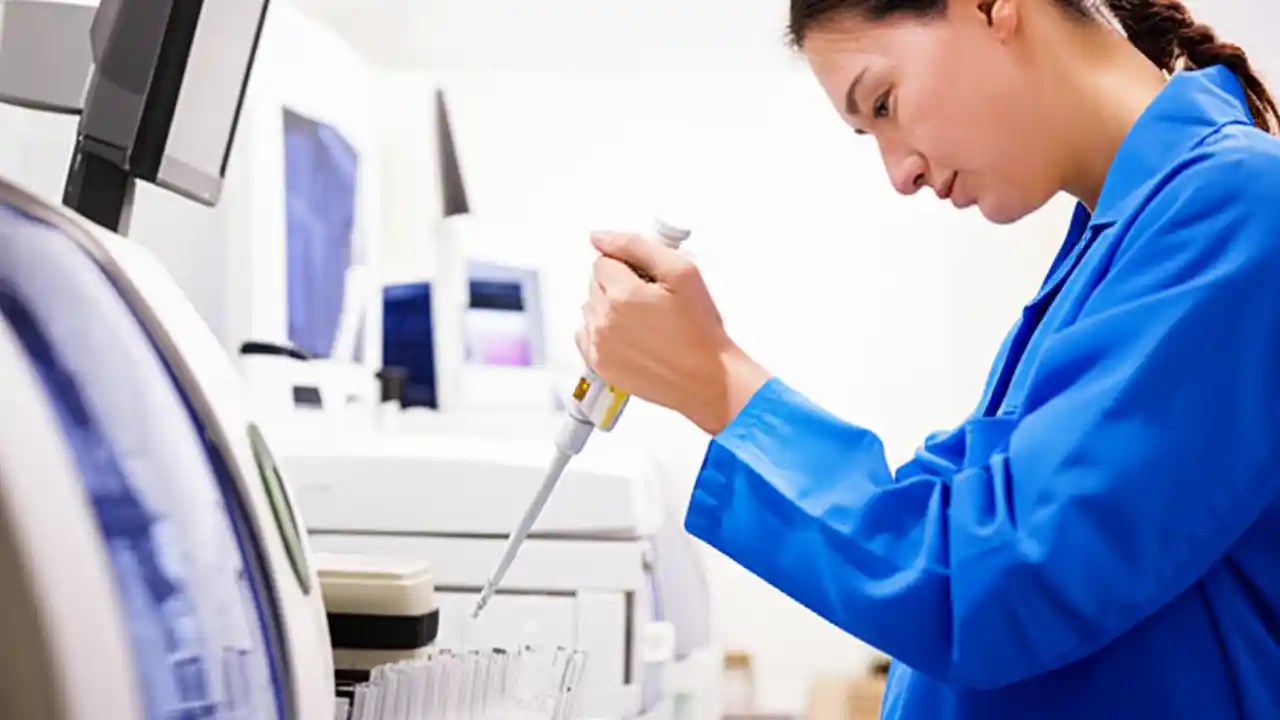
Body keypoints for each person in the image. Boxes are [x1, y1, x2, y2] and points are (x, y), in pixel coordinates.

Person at [576, 0, 1280, 718]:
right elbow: (948, 522)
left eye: (884, 103)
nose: (898, 174)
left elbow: (991, 582)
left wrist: (716, 381)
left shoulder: (1241, 208)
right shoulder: (1110, 252)